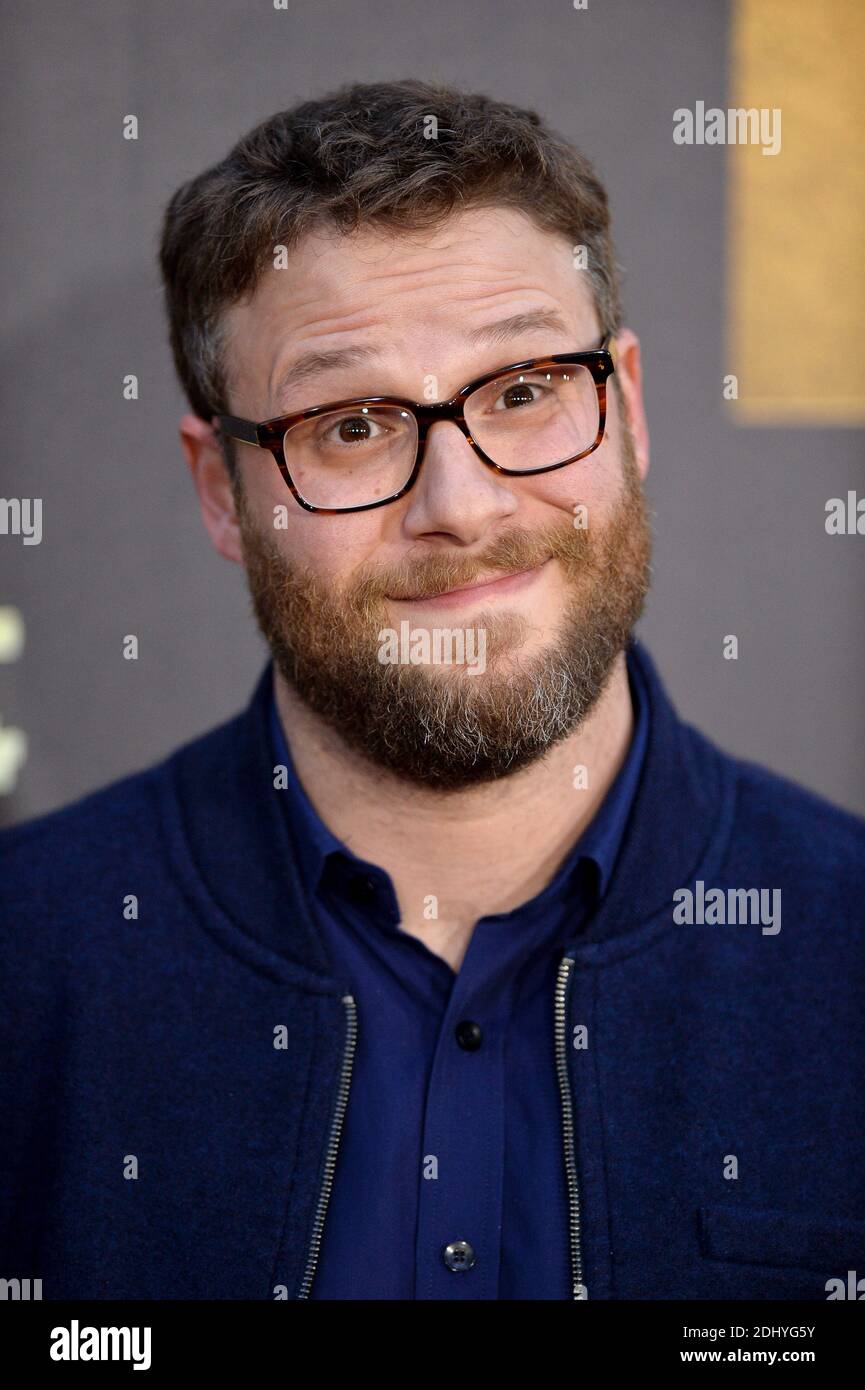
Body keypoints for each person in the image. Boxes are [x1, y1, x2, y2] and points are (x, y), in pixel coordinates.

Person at [2, 79, 863, 1302]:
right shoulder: (28, 966)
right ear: (220, 494)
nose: (459, 506)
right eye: (351, 424)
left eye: (522, 392)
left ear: (624, 406)